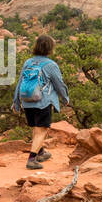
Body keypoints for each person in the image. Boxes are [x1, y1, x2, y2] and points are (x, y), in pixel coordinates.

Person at [11, 34, 70, 170]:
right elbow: (59, 84)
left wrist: (16, 102)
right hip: (42, 102)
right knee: (42, 130)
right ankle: (32, 159)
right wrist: (65, 98)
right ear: (50, 48)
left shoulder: (28, 62)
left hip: (27, 100)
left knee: (36, 128)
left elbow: (20, 83)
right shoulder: (51, 65)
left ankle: (41, 152)